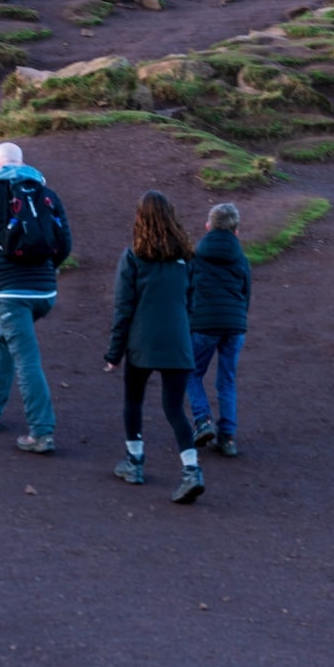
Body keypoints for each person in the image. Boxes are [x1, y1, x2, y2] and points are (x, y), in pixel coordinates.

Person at [0, 141, 71, 453]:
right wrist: (47, 272)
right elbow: (65, 244)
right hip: (46, 292)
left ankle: (42, 432)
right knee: (4, 338)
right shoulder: (48, 195)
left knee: (27, 359)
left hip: (10, 291)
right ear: (21, 163)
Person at [105, 191, 204, 504]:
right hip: (178, 344)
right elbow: (191, 304)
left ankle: (134, 462)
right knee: (174, 408)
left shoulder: (133, 257)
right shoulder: (186, 260)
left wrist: (114, 353)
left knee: (133, 400)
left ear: (140, 219)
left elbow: (123, 308)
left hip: (141, 344)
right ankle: (192, 470)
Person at [187, 202, 251, 458]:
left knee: (191, 372)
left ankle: (202, 420)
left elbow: (187, 290)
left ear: (208, 226)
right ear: (236, 230)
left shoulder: (196, 256)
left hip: (203, 324)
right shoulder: (241, 258)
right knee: (227, 379)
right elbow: (246, 293)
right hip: (235, 325)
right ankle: (228, 438)